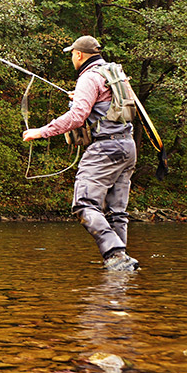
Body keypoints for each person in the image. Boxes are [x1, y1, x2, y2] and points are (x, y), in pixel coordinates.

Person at [22, 36, 140, 272]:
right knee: (117, 211)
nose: (71, 58)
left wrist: (40, 132)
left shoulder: (88, 77)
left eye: (72, 54)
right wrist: (83, 98)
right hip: (128, 147)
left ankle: (115, 255)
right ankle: (120, 263)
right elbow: (114, 107)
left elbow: (77, 117)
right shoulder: (115, 75)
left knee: (84, 204)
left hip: (105, 149)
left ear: (79, 55)